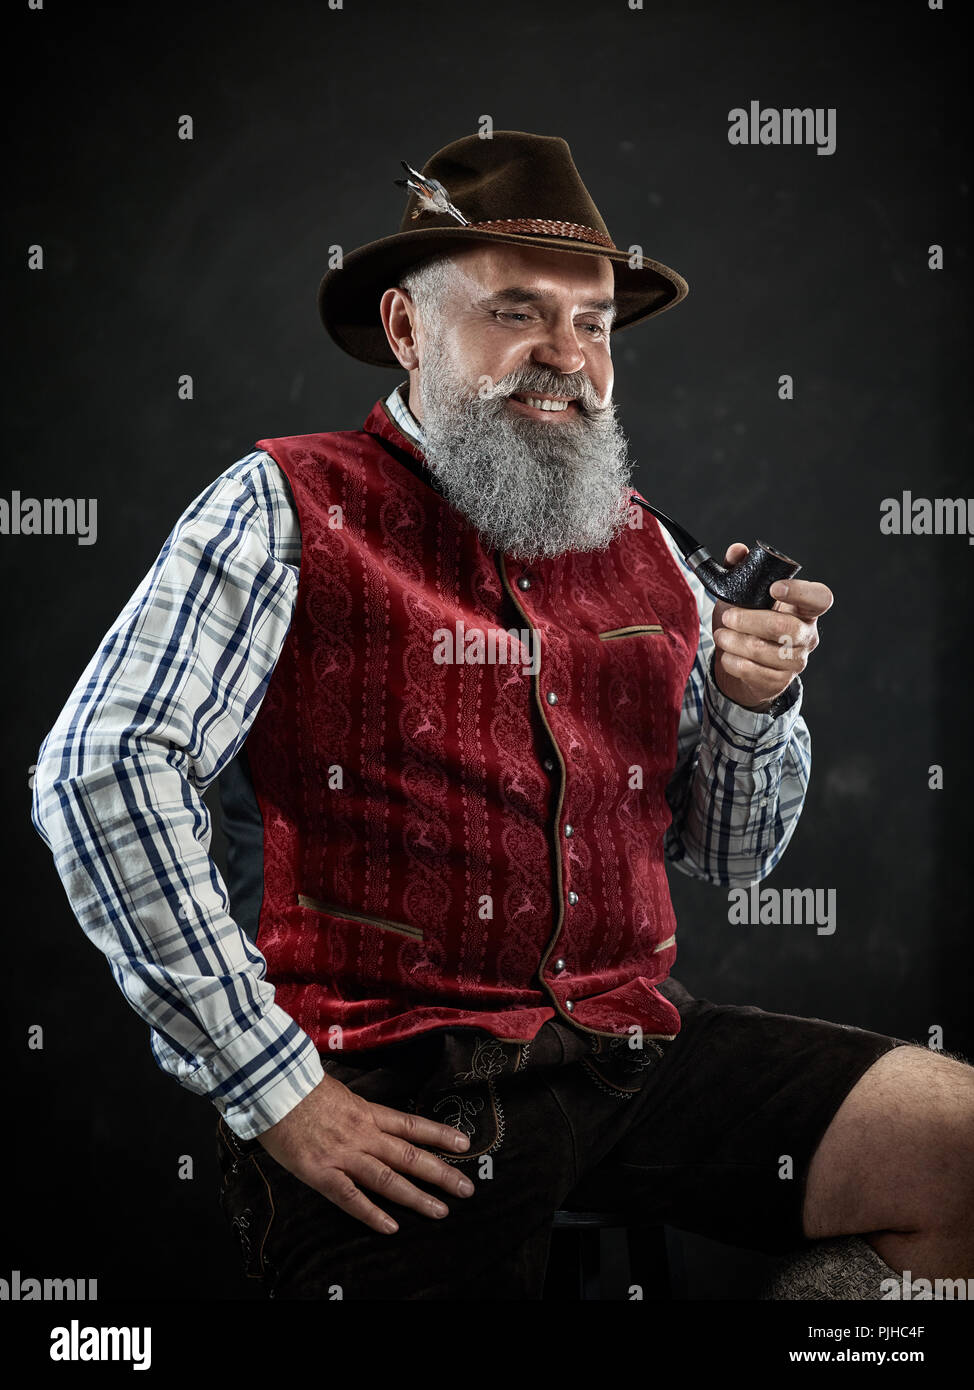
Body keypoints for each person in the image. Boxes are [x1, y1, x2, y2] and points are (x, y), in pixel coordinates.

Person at [31, 131, 973, 1301]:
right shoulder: (279, 504)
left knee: (960, 1143)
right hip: (394, 1095)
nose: (563, 355)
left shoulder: (653, 551)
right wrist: (271, 1087)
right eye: (515, 313)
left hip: (633, 1054)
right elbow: (102, 768)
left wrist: (751, 704)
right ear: (407, 329)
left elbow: (731, 854)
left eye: (590, 324)